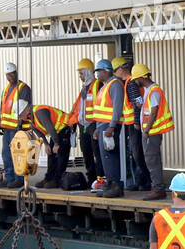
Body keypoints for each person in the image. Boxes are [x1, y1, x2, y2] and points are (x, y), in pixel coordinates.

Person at [89, 58, 131, 198]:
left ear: (106, 71)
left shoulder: (115, 85)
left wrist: (112, 127)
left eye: (99, 71)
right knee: (105, 157)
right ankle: (110, 184)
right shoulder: (105, 85)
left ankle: (115, 186)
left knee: (110, 156)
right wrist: (97, 128)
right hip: (103, 126)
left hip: (109, 127)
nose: (97, 75)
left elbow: (117, 108)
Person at [134, 63, 173, 200]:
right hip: (150, 131)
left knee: (152, 160)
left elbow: (154, 111)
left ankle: (158, 189)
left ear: (141, 77)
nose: (135, 81)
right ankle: (157, 186)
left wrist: (147, 130)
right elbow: (149, 109)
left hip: (152, 132)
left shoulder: (154, 90)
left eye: (136, 78)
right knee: (152, 159)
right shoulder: (149, 91)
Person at [115, 58, 149, 191]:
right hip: (132, 124)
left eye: (114, 70)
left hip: (135, 125)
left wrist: (136, 121)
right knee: (135, 153)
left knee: (138, 153)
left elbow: (137, 103)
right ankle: (141, 181)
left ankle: (146, 181)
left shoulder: (131, 84)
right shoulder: (128, 83)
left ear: (121, 69)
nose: (114, 74)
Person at [70, 58, 104, 187]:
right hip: (83, 125)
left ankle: (100, 178)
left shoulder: (97, 85)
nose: (80, 76)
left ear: (88, 72)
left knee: (98, 153)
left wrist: (97, 124)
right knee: (86, 152)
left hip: (94, 124)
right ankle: (91, 178)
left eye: (81, 73)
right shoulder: (84, 88)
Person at [0, 62, 32, 190]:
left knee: (17, 154)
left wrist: (20, 126)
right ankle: (9, 178)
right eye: (8, 75)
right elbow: (3, 107)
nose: (10, 77)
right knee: (6, 154)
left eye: (12, 74)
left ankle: (18, 179)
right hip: (7, 128)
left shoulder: (23, 88)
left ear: (16, 73)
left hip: (17, 128)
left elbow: (23, 108)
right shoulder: (6, 89)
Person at [26, 103, 71, 188]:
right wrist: (46, 144)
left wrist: (57, 144)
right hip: (56, 131)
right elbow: (39, 133)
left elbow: (49, 127)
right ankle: (49, 178)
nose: (20, 117)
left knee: (61, 154)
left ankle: (57, 180)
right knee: (51, 154)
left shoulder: (39, 112)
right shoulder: (29, 118)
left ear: (26, 110)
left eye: (20, 114)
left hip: (64, 127)